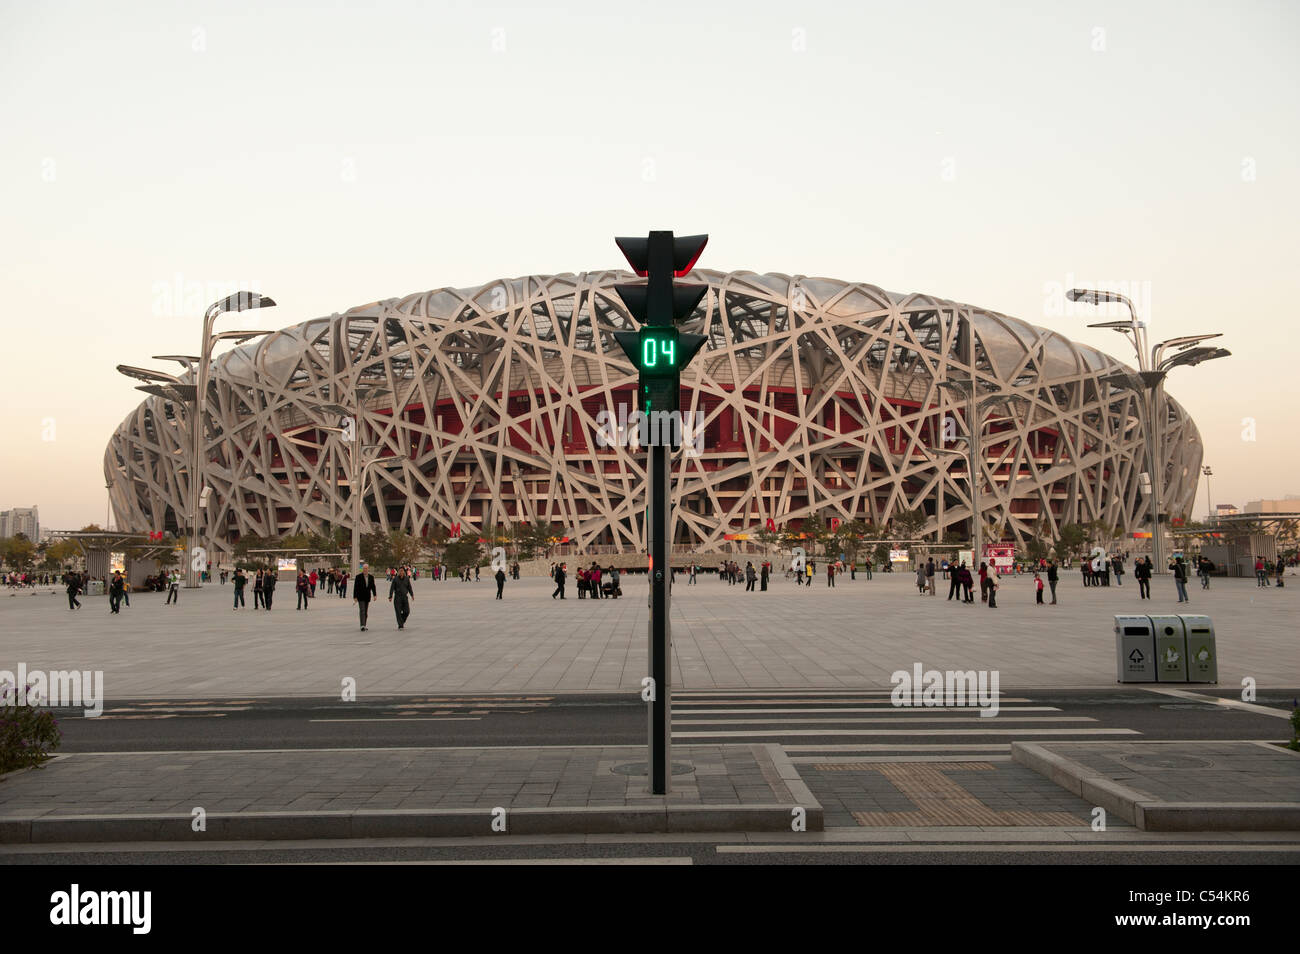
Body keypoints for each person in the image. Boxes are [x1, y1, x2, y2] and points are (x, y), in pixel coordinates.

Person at [353, 564, 377, 631]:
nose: (365, 570)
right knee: (362, 610)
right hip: (360, 596)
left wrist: (375, 595)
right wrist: (355, 597)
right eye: (364, 568)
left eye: (366, 568)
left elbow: (373, 587)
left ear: (368, 569)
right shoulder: (358, 577)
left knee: (365, 612)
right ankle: (362, 625)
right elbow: (355, 587)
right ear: (362, 569)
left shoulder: (371, 577)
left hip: (367, 596)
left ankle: (364, 624)